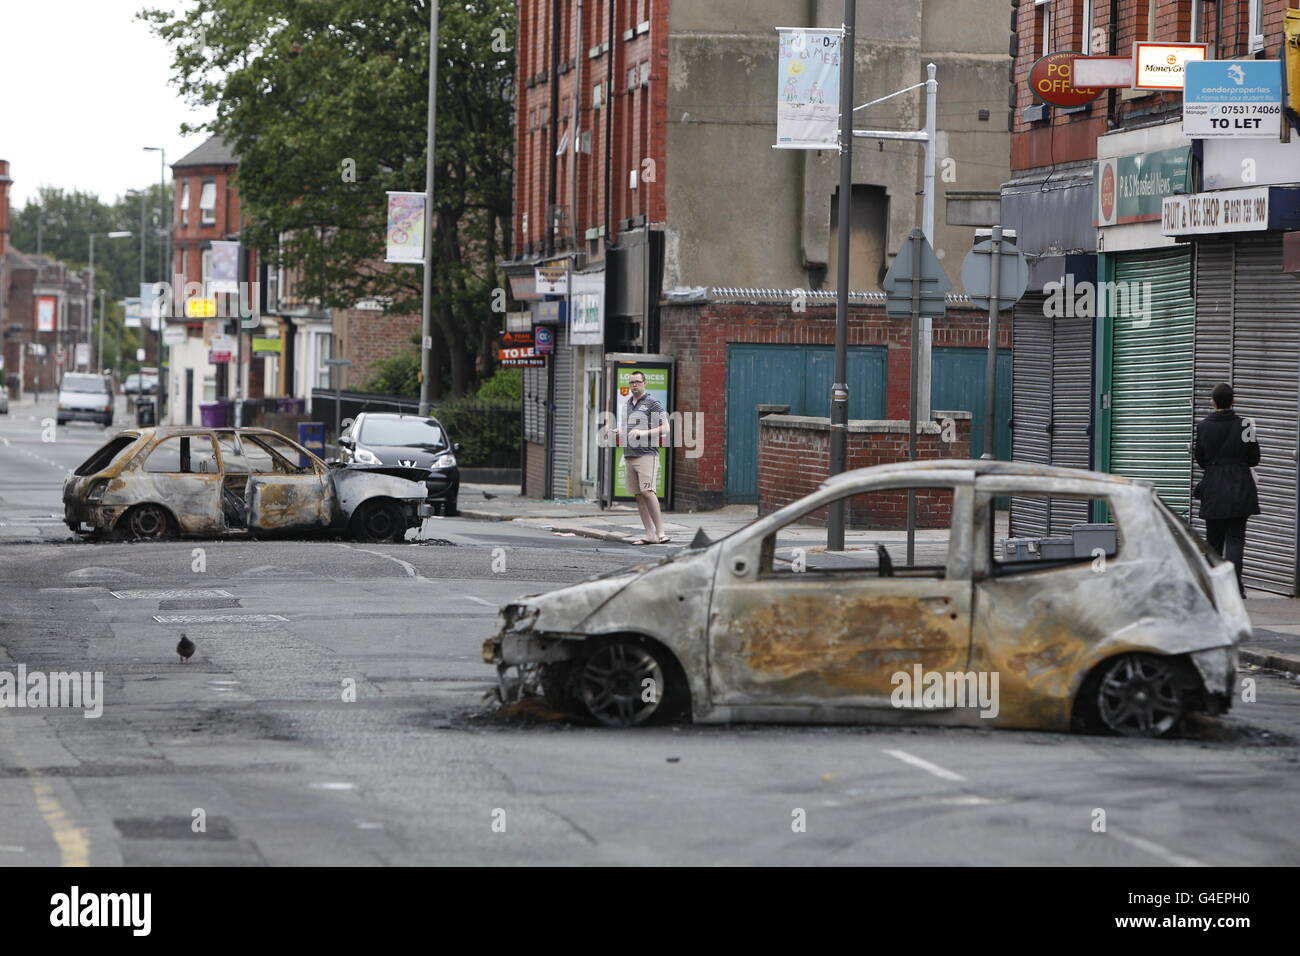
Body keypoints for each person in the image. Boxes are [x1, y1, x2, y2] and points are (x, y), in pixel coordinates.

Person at [1195, 383, 1260, 598]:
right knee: (1236, 538)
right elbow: (1254, 458)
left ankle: (1214, 587)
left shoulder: (1203, 426)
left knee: (1214, 541)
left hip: (1213, 488)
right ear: (1233, 402)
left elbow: (1201, 460)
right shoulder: (1247, 425)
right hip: (1240, 487)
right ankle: (1234, 586)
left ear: (1213, 402)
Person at [621, 371, 670, 544]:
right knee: (639, 495)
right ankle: (649, 534)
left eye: (637, 382)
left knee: (648, 492)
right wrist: (620, 432)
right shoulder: (627, 404)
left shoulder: (652, 403)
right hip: (629, 455)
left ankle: (661, 532)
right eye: (632, 382)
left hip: (647, 454)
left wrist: (643, 433)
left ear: (645, 383)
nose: (634, 385)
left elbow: (665, 428)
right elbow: (628, 429)